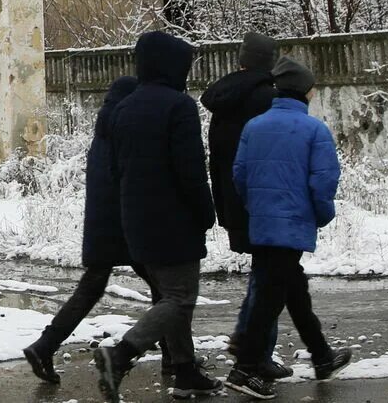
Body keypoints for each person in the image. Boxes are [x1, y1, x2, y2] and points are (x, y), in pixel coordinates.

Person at [92, 30, 222, 400]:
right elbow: (191, 169)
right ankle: (119, 355)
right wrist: (204, 211)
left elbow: (115, 169)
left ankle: (184, 370)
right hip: (174, 220)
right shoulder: (178, 106)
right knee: (179, 298)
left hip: (135, 220)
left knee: (168, 297)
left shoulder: (124, 107)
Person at [224, 58, 354, 399]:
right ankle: (245, 369)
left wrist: (258, 208)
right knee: (269, 297)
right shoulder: (314, 130)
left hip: (263, 221)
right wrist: (320, 215)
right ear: (305, 91)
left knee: (293, 289)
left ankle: (322, 357)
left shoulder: (254, 126)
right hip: (293, 222)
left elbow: (239, 174)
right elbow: (324, 182)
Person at [23, 76, 167, 383]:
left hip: (102, 225)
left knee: (95, 289)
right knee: (167, 292)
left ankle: (44, 346)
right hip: (124, 225)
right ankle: (177, 360)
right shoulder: (125, 131)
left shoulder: (103, 132)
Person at [199, 31, 292, 379]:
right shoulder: (268, 100)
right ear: (270, 63)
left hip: (234, 201)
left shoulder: (224, 99)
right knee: (271, 278)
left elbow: (218, 158)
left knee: (266, 275)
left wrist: (224, 205)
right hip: (264, 201)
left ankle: (250, 346)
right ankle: (254, 356)